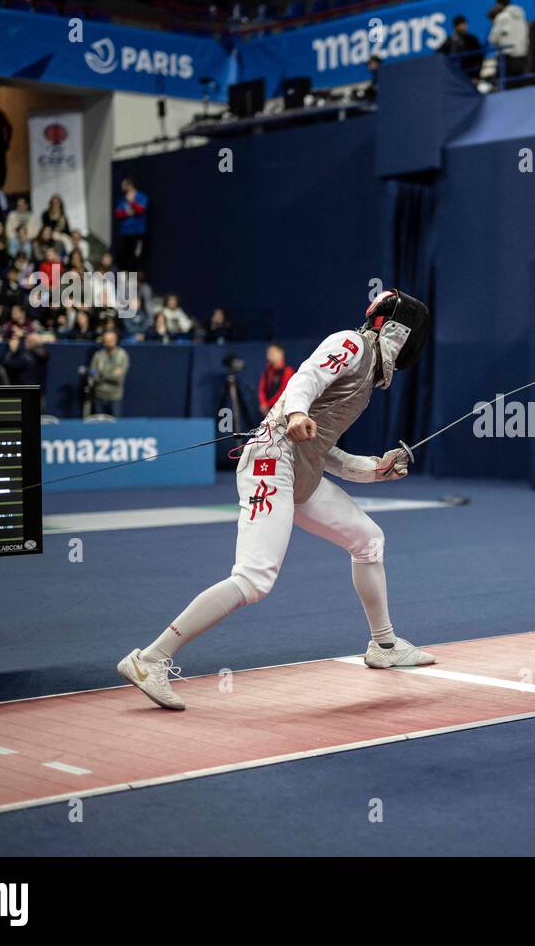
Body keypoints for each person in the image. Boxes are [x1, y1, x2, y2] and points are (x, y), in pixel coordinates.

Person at [117, 289, 436, 710]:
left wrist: (376, 469)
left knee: (368, 539)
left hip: (302, 474)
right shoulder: (351, 344)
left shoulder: (363, 381)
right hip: (271, 461)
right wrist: (297, 412)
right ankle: (151, 659)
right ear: (400, 332)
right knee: (254, 578)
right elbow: (305, 378)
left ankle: (384, 644)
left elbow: (326, 452)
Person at [487, 0, 529, 87]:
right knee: (520, 86)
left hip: (508, 57)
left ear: (500, 4)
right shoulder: (521, 16)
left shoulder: (501, 17)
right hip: (522, 54)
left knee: (508, 87)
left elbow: (492, 39)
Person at [88, 328, 129, 417]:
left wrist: (101, 374)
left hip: (115, 397)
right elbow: (92, 372)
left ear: (115, 340)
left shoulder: (122, 355)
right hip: (99, 396)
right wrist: (110, 374)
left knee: (115, 427)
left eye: (111, 340)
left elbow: (118, 378)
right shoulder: (98, 355)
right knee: (98, 427)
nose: (109, 342)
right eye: (107, 340)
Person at [114, 177, 148, 271]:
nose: (122, 187)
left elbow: (140, 210)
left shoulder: (141, 197)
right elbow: (118, 213)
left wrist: (132, 202)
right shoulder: (123, 199)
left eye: (124, 185)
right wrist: (127, 213)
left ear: (130, 185)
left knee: (134, 258)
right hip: (124, 232)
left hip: (137, 232)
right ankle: (122, 280)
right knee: (122, 256)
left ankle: (133, 282)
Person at [440, 15, 485, 80]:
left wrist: (477, 73)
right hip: (456, 73)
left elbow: (480, 55)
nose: (464, 27)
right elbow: (440, 54)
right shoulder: (449, 41)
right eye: (462, 25)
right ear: (456, 27)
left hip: (471, 72)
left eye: (465, 24)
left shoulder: (472, 38)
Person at [258, 341, 294, 415]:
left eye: (272, 353)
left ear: (281, 354)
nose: (269, 356)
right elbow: (261, 390)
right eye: (268, 353)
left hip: (282, 410)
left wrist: (268, 404)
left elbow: (283, 391)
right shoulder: (267, 372)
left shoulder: (287, 371)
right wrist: (263, 404)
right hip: (268, 411)